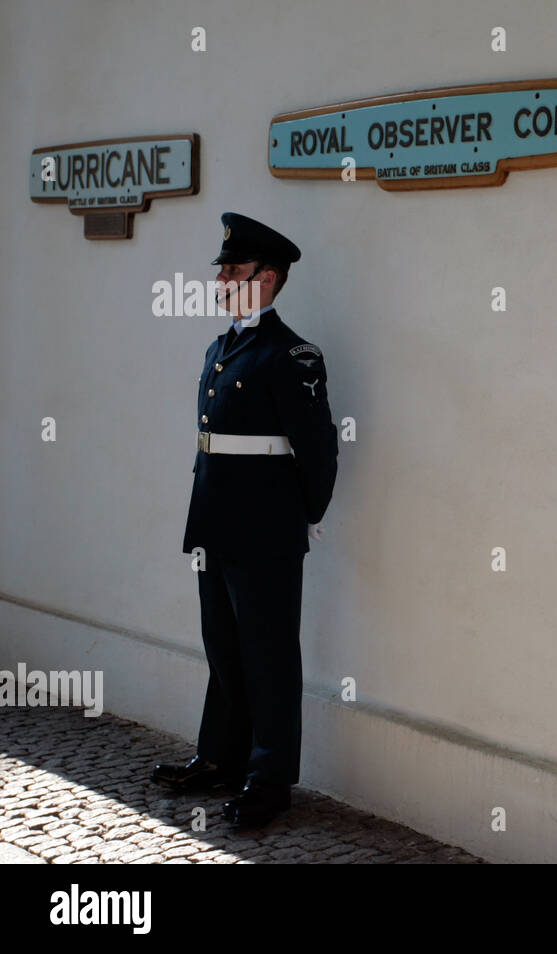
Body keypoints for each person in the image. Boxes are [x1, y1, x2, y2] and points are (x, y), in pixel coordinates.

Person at [152, 212, 339, 829]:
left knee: (268, 655)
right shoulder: (220, 346)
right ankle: (220, 758)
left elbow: (317, 449)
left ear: (269, 277)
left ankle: (268, 781)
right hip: (214, 522)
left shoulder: (292, 354)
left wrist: (296, 519)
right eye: (222, 269)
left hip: (265, 529)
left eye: (233, 269)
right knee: (224, 648)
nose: (221, 278)